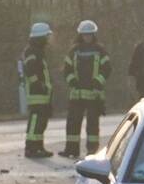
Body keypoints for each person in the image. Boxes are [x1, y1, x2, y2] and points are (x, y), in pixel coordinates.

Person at [62, 20, 111, 157]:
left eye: (89, 34)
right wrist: (72, 81)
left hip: (94, 94)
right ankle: (71, 149)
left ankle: (92, 150)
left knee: (93, 124)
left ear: (93, 34)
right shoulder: (74, 51)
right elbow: (67, 69)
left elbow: (107, 69)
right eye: (85, 35)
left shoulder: (100, 50)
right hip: (76, 94)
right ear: (80, 35)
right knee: (73, 122)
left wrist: (97, 82)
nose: (87, 37)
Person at [19, 22, 54, 158]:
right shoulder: (32, 51)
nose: (48, 39)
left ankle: (39, 147)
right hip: (36, 93)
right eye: (46, 36)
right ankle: (31, 148)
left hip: (42, 93)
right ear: (41, 37)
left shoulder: (38, 51)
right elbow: (30, 69)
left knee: (41, 122)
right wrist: (38, 84)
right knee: (35, 121)